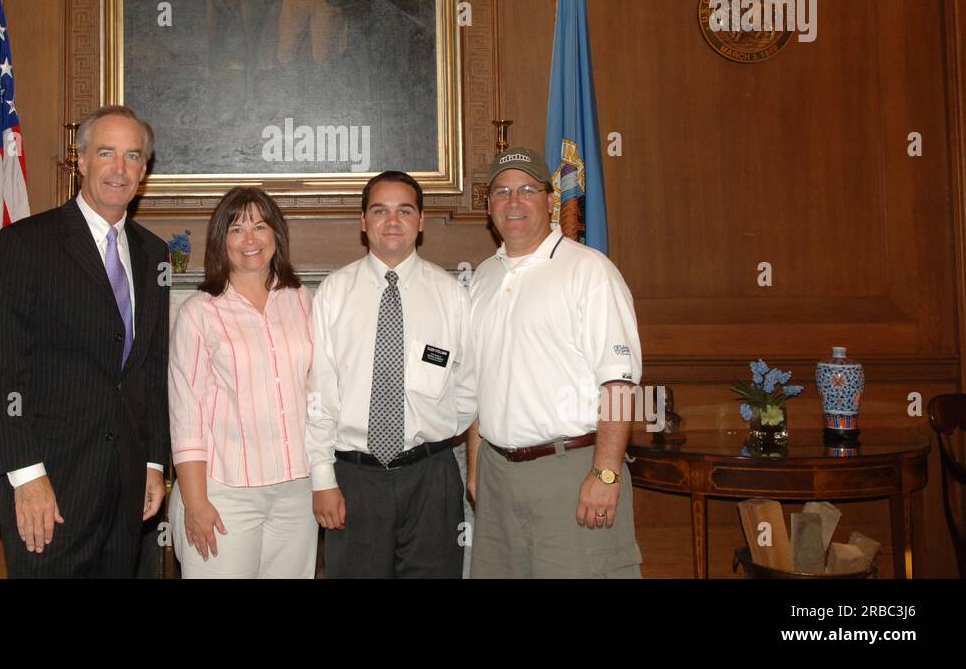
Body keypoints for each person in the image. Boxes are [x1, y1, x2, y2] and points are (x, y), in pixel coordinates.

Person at [0, 105, 170, 578]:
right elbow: (1, 373)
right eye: (106, 153)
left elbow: (151, 369)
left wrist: (152, 461)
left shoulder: (153, 254)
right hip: (49, 486)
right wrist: (26, 476)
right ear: (80, 160)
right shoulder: (24, 244)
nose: (119, 169)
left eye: (132, 156)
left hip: (125, 489)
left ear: (144, 171)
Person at [467, 148, 644, 578]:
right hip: (497, 477)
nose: (514, 201)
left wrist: (605, 474)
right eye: (502, 192)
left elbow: (619, 385)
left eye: (528, 189)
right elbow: (477, 386)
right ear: (488, 206)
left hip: (572, 472)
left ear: (550, 200)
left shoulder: (589, 271)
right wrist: (474, 470)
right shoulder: (481, 279)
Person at [306, 170, 474, 578]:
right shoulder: (334, 293)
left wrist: (436, 434)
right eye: (380, 211)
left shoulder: (451, 294)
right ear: (363, 221)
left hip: (432, 476)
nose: (392, 221)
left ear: (421, 221)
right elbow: (320, 394)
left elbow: (469, 386)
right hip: (354, 479)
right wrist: (322, 477)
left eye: (404, 210)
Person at [167, 187, 318, 578]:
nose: (250, 239)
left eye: (260, 226)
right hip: (223, 491)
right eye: (236, 229)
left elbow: (320, 391)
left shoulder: (304, 300)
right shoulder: (198, 313)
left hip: (297, 492)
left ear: (276, 236)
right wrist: (195, 502)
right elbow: (187, 415)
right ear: (221, 241)